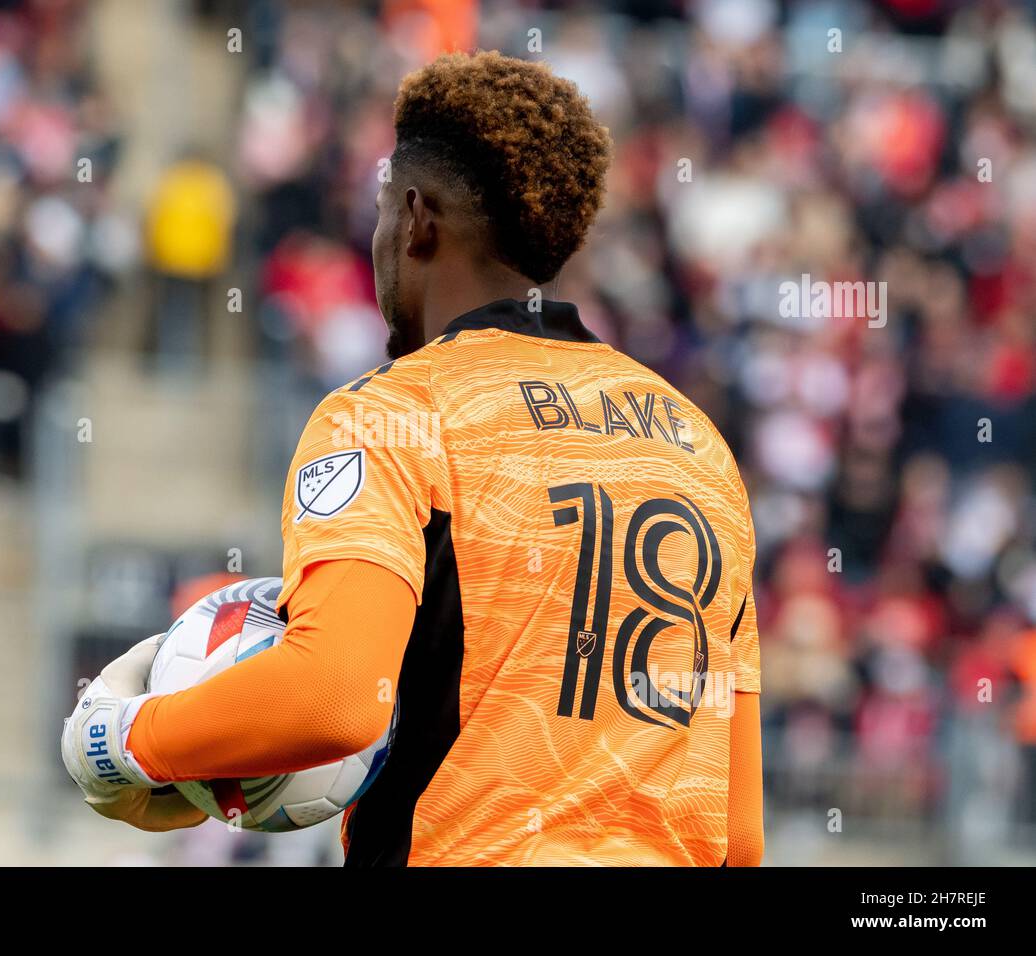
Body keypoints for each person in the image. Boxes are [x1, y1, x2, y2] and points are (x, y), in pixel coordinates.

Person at [63, 51, 763, 866]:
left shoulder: (397, 413)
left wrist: (126, 742)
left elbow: (334, 697)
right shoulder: (696, 444)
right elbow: (739, 829)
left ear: (417, 217)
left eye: (379, 209)